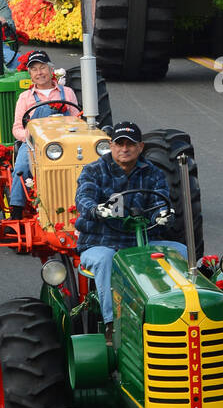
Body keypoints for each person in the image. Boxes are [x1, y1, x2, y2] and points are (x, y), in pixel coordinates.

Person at [74, 121, 187, 343]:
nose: (124, 149)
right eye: (119, 144)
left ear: (140, 147)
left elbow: (160, 202)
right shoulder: (93, 170)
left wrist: (162, 215)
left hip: (140, 242)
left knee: (181, 251)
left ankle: (177, 314)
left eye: (130, 144)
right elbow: (83, 198)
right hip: (101, 243)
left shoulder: (152, 173)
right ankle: (112, 325)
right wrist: (97, 209)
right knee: (107, 260)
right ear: (111, 145)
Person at [8, 50, 80, 218]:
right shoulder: (25, 97)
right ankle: (16, 211)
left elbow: (78, 119)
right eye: (34, 69)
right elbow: (17, 128)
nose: (39, 73)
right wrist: (29, 137)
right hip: (36, 144)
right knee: (21, 168)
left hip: (65, 142)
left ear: (50, 70)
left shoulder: (67, 92)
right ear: (30, 74)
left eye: (42, 68)